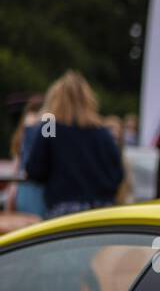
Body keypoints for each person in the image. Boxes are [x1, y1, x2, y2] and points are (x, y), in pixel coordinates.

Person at [22, 71, 123, 218]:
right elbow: (118, 175)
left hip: (65, 211)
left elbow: (34, 169)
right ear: (89, 99)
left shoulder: (51, 126)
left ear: (55, 99)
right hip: (102, 211)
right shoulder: (101, 131)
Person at [9, 95, 46, 217]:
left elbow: (17, 170)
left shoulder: (22, 134)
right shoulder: (47, 125)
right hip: (36, 189)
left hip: (25, 188)